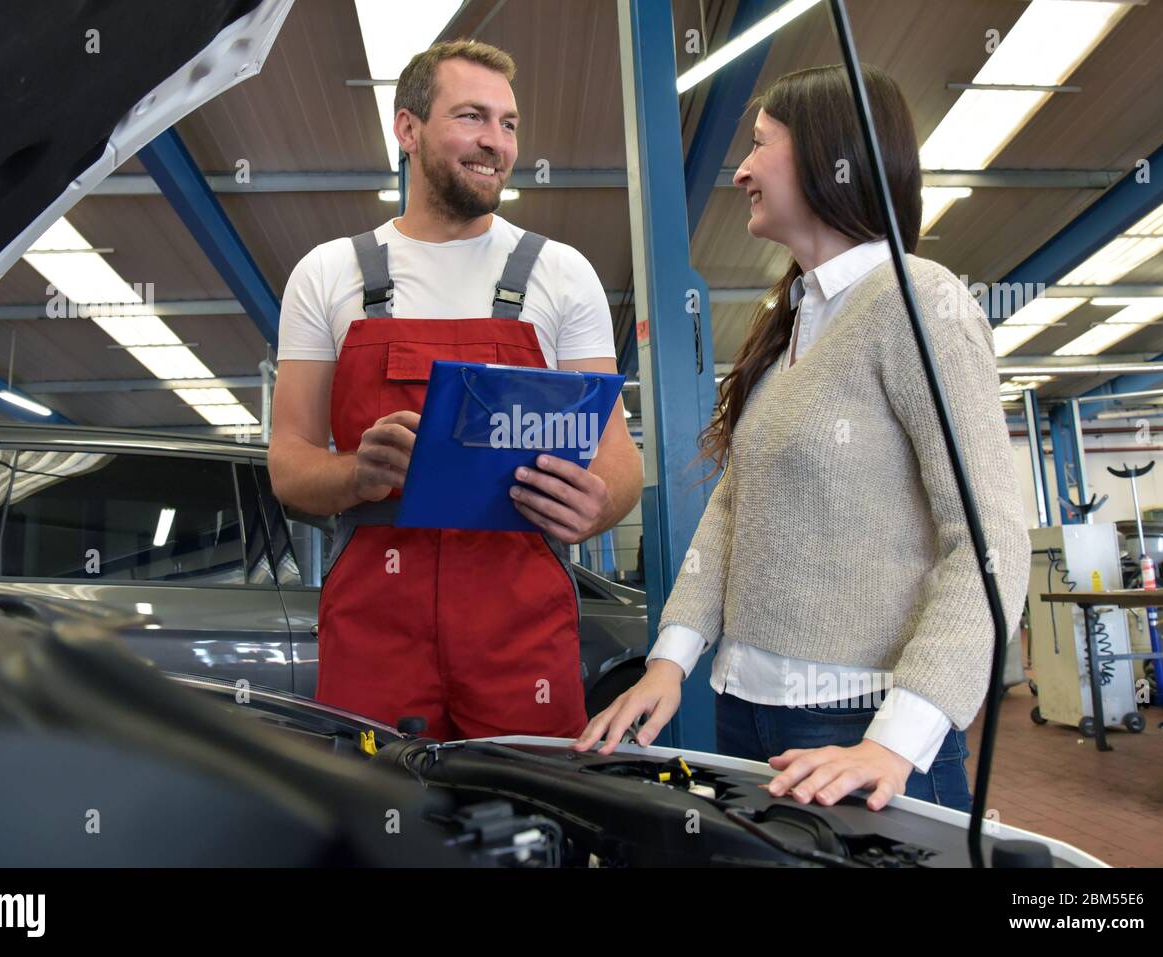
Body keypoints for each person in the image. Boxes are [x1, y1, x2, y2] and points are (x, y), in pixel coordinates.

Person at [574, 64, 1030, 813]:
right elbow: (732, 513)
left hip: (860, 727)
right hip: (746, 713)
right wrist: (668, 661)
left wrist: (897, 737)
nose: (743, 170)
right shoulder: (797, 320)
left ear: (827, 155)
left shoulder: (921, 303)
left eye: (759, 146)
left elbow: (991, 546)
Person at [269, 40, 642, 742]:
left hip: (520, 620)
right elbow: (288, 463)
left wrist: (599, 505)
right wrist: (354, 473)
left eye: (508, 123)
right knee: (371, 816)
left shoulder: (560, 275)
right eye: (473, 117)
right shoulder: (328, 275)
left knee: (530, 822)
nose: (495, 142)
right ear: (407, 130)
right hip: (375, 617)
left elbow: (619, 458)